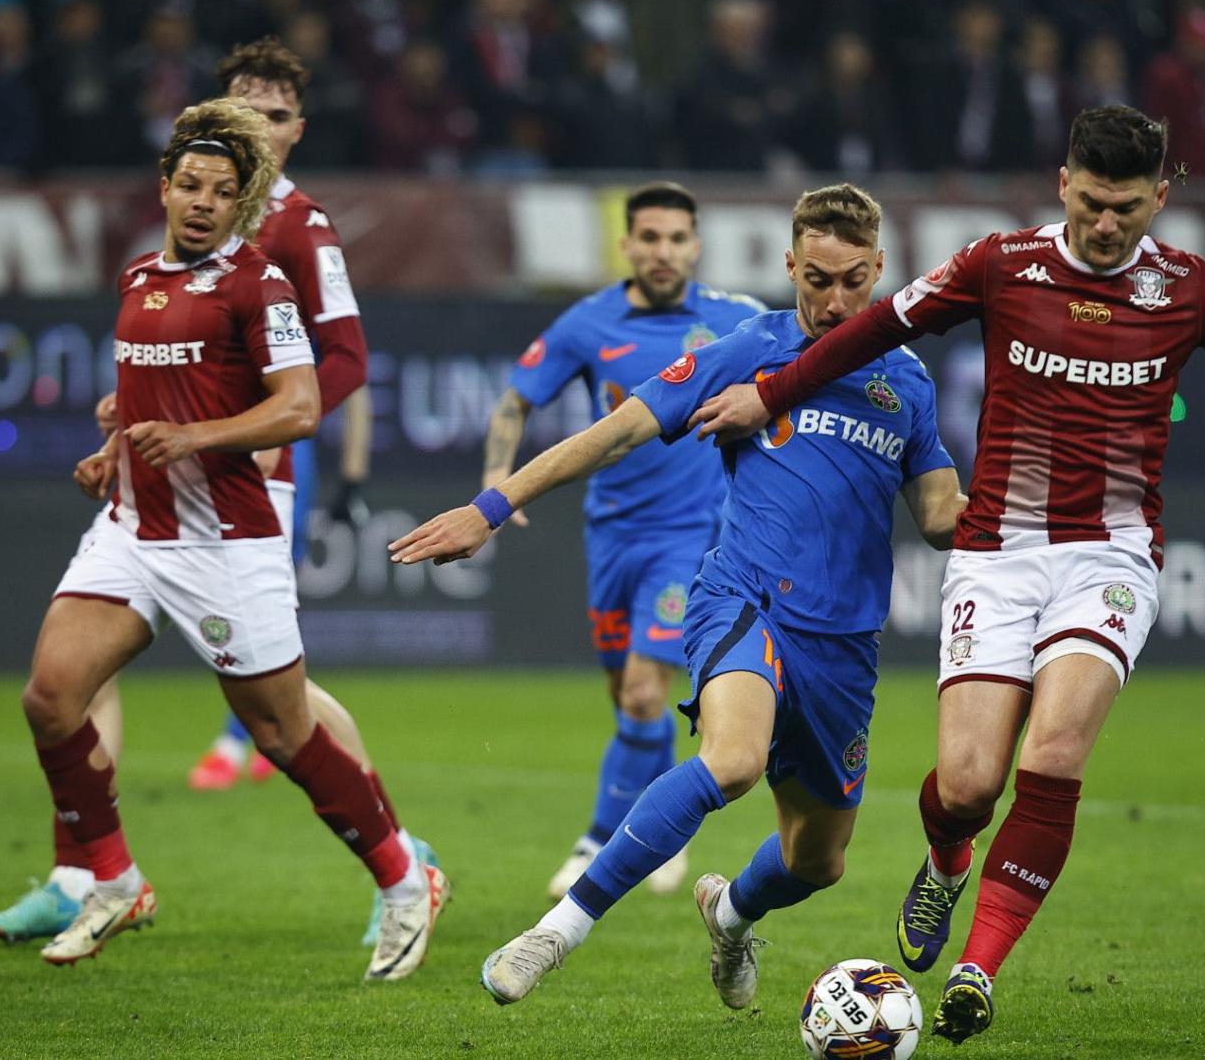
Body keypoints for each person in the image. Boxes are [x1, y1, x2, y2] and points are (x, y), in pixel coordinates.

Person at [689, 104, 1205, 1043]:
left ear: (1159, 198)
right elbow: (873, 330)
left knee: (1051, 757)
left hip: (1111, 556)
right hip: (998, 552)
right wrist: (769, 392)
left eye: (1126, 208)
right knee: (969, 785)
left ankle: (976, 969)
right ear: (1064, 185)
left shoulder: (1194, 290)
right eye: (1091, 202)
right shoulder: (1000, 264)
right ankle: (947, 859)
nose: (1106, 224)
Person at [393, 184, 964, 1008]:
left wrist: (1028, 510)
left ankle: (730, 915)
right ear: (790, 266)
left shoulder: (906, 380)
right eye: (816, 280)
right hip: (744, 597)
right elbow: (615, 431)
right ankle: (554, 931)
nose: (834, 302)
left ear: (879, 269)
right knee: (731, 760)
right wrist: (490, 505)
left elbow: (940, 516)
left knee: (818, 860)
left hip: (842, 644)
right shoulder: (751, 347)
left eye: (851, 281)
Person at [0, 40, 425, 955]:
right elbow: (152, 390)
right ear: (167, 185)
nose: (204, 200)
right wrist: (115, 446)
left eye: (222, 189)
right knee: (52, 695)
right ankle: (107, 878)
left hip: (227, 528)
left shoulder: (272, 268)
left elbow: (311, 394)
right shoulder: (139, 277)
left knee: (283, 730)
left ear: (251, 184)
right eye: (189, 185)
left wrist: (208, 435)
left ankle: (404, 872)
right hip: (135, 524)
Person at [481, 180, 765, 901]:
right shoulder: (588, 322)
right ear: (626, 245)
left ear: (696, 246)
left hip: (693, 537)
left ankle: (599, 837)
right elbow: (514, 401)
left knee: (644, 692)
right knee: (626, 695)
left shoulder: (737, 318)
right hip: (611, 535)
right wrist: (494, 476)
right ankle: (667, 825)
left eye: (677, 238)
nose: (664, 251)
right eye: (650, 238)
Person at [189, 36, 377, 794]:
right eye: (246, 110)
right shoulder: (195, 208)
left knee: (263, 647)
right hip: (174, 457)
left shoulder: (300, 225)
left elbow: (349, 358)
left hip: (255, 465)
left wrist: (277, 425)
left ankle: (387, 838)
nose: (261, 127)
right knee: (73, 661)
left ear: (297, 130)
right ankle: (87, 853)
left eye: (277, 115)